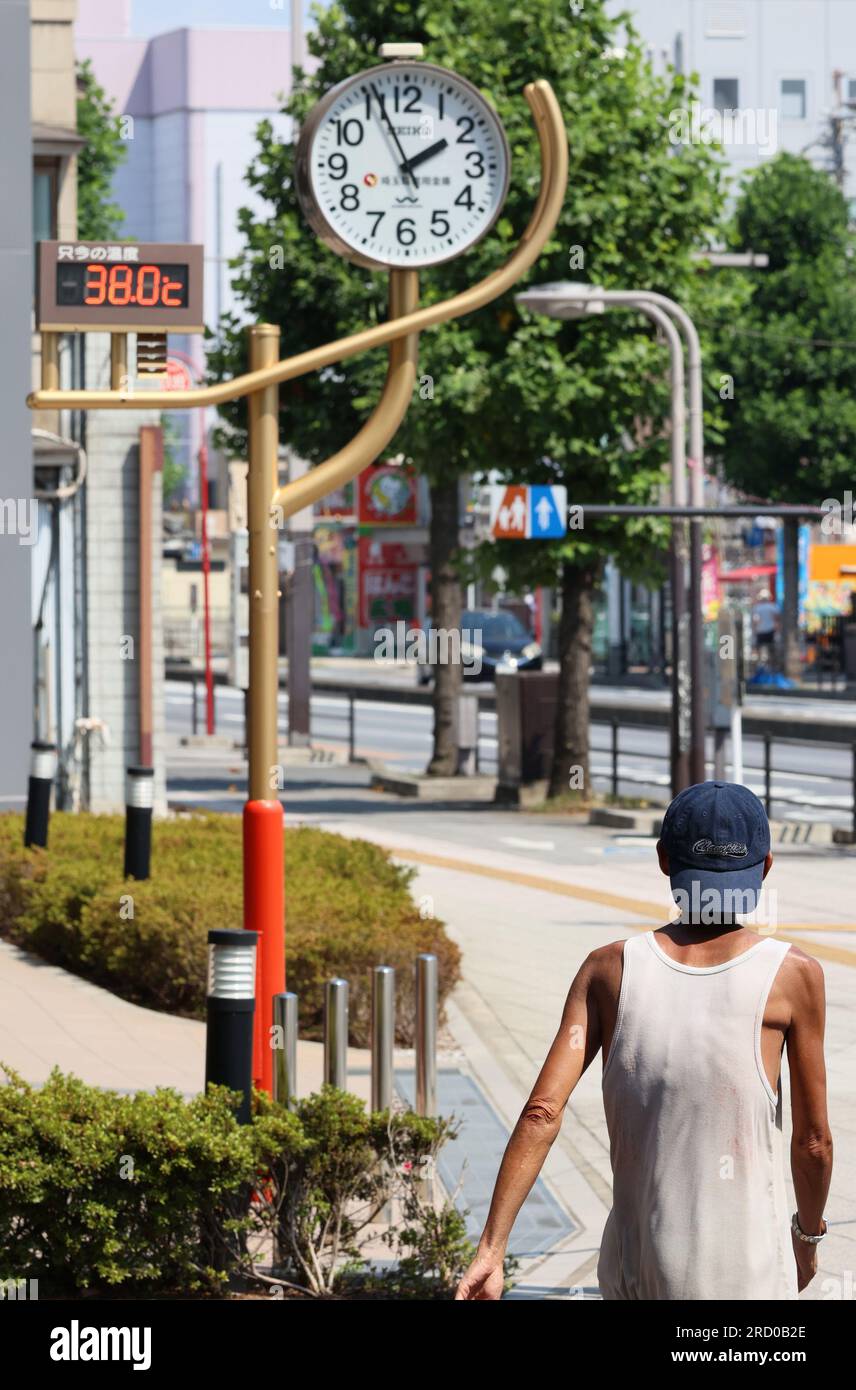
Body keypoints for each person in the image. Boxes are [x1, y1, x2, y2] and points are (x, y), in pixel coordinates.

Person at [455, 781, 833, 1301]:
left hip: (633, 1264)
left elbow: (542, 1111)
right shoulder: (793, 975)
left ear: (663, 860)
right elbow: (813, 1142)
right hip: (745, 1272)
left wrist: (491, 1251)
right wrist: (808, 1237)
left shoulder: (608, 968)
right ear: (765, 867)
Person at [752, 587, 779, 665]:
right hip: (770, 631)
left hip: (760, 631)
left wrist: (755, 631)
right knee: (771, 651)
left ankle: (760, 665)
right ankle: (772, 665)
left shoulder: (757, 608)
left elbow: (755, 621)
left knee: (759, 651)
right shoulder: (773, 607)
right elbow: (776, 620)